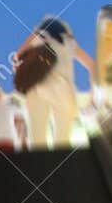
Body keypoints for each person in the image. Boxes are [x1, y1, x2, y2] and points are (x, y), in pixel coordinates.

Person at [14, 16, 96, 148]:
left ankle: (40, 167)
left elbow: (17, 57)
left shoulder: (38, 36)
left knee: (37, 142)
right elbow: (92, 66)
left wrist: (25, 75)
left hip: (37, 91)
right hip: (64, 93)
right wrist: (92, 98)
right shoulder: (70, 43)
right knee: (62, 143)